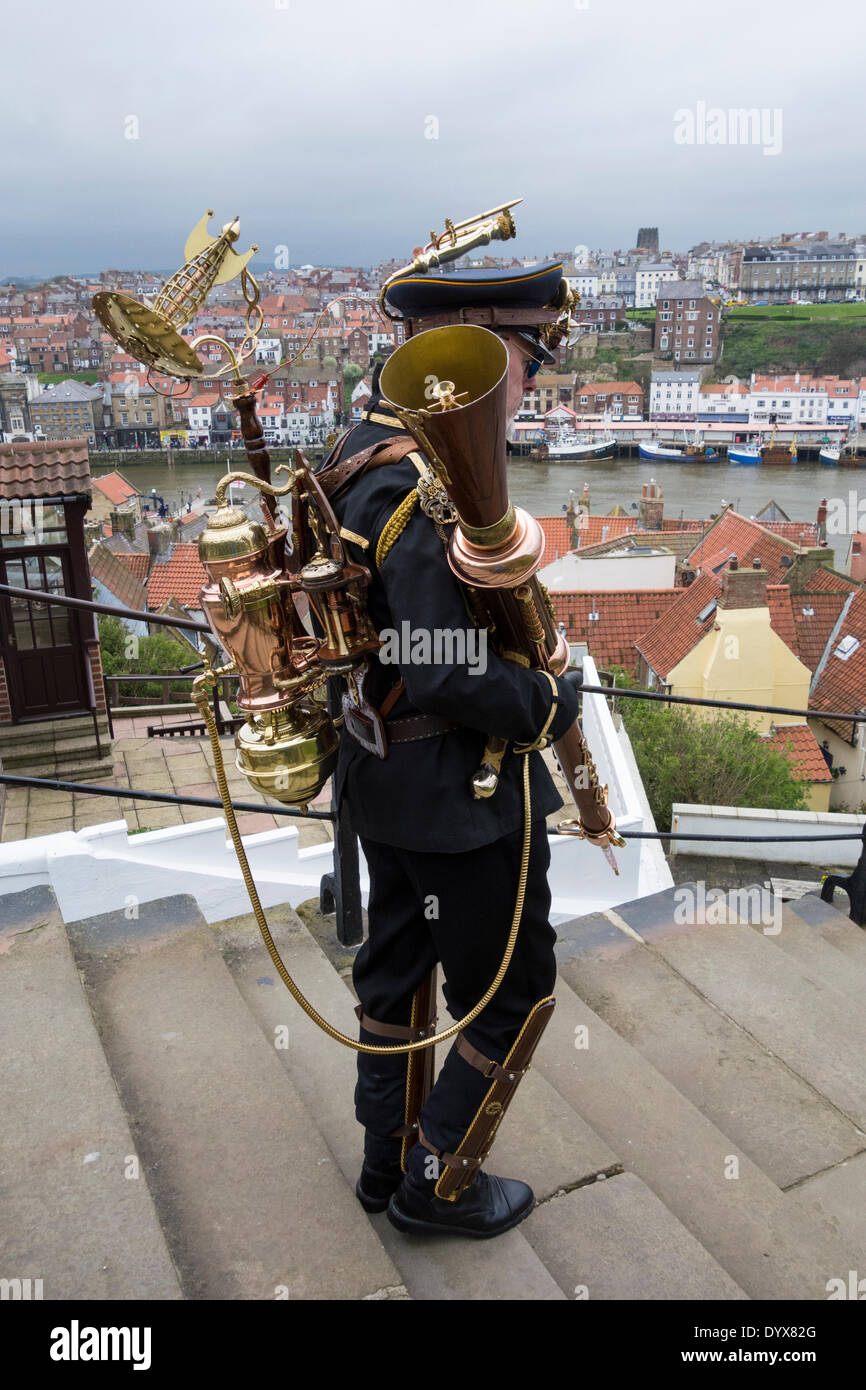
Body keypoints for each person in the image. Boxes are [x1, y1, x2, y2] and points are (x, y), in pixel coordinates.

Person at [315, 260, 581, 1238]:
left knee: (393, 969)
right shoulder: (419, 491)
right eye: (522, 358)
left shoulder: (357, 447)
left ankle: (383, 1164)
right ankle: (439, 1181)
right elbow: (446, 670)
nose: (529, 381)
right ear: (467, 349)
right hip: (458, 800)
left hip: (378, 774)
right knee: (513, 993)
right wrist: (545, 701)